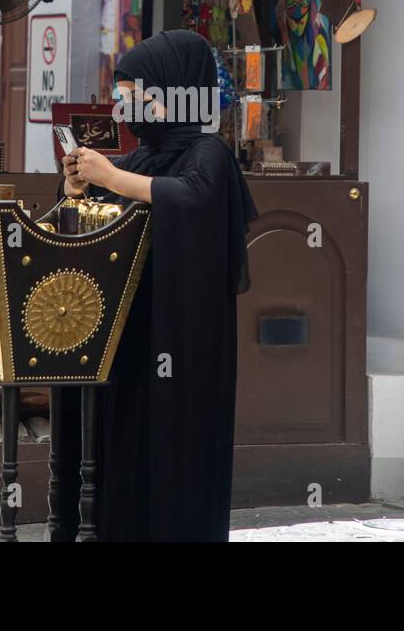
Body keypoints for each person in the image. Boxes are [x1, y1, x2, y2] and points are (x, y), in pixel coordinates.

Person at [55, 29, 257, 541]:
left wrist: (111, 177)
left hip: (181, 339)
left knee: (173, 444)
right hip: (130, 332)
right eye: (123, 99)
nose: (128, 109)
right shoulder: (146, 155)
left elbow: (189, 201)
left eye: (139, 96)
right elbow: (115, 196)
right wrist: (78, 182)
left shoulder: (209, 152)